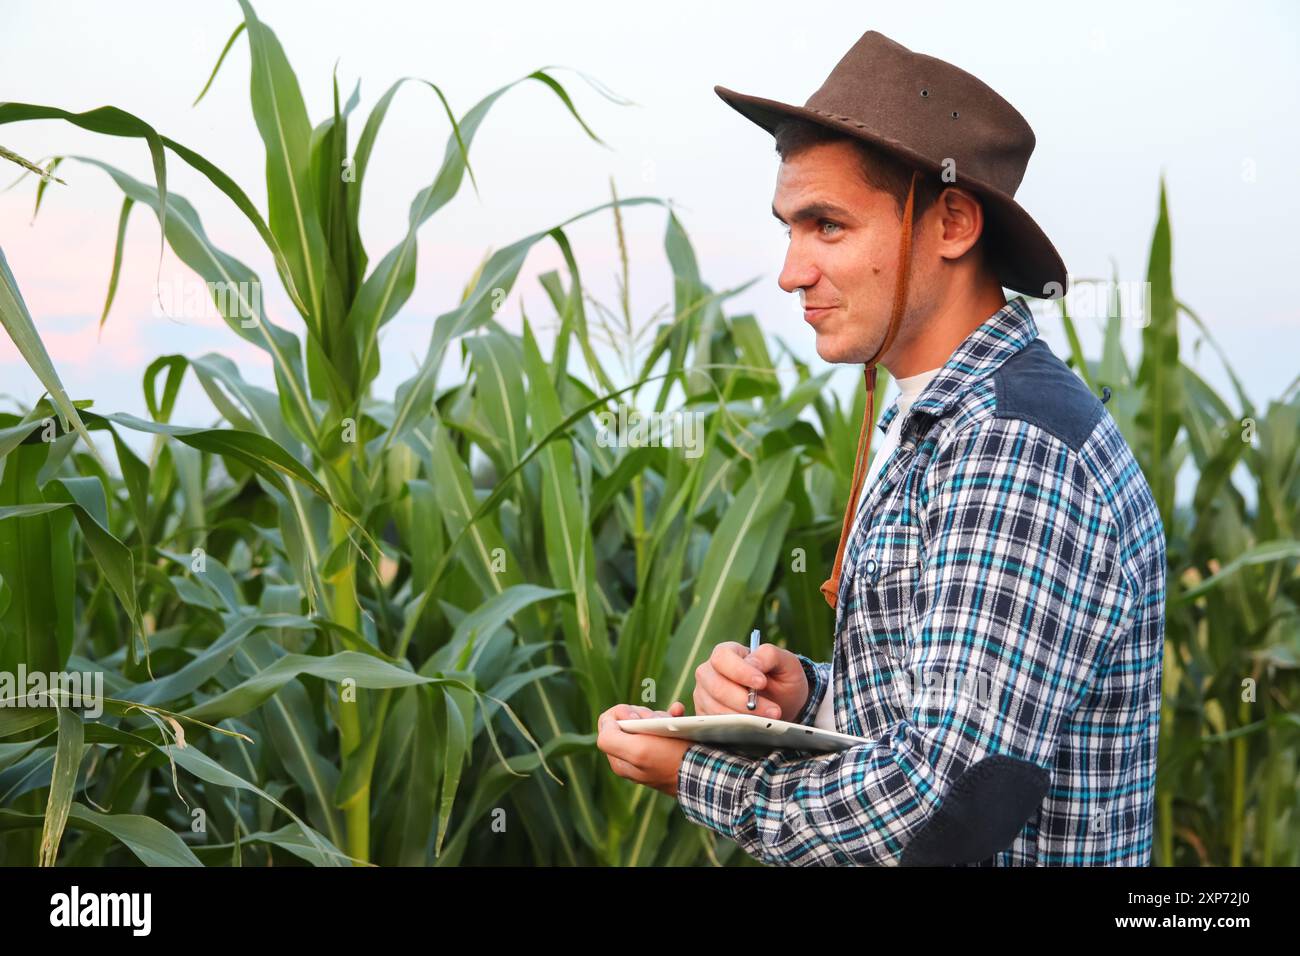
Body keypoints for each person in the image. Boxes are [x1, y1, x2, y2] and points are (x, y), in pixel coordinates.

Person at [597, 29, 1165, 866]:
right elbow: (953, 719)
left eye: (826, 226)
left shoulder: (1010, 447)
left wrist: (703, 775)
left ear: (954, 223)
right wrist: (811, 704)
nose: (791, 271)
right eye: (791, 227)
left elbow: (953, 797)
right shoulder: (955, 421)